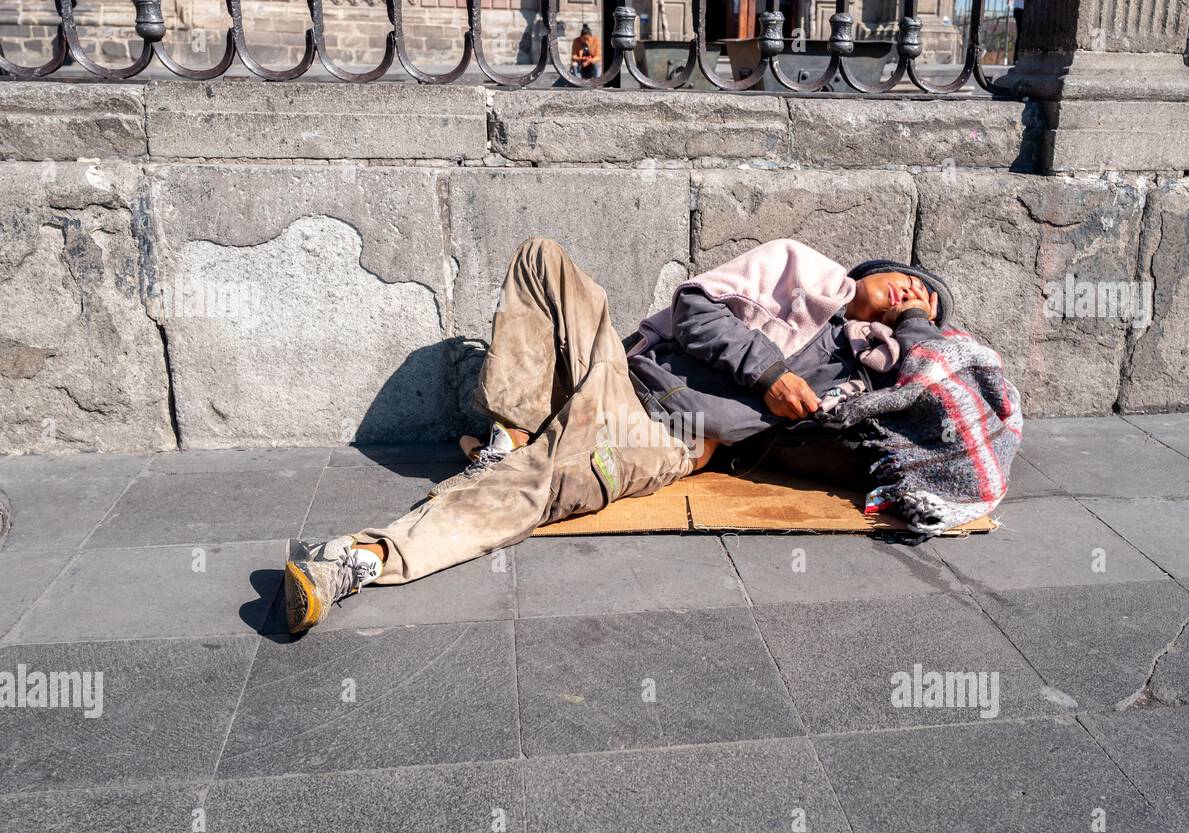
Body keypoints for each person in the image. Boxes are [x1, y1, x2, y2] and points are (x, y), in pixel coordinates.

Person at [282, 238, 952, 635]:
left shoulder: (858, 379)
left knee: (535, 489)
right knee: (544, 258)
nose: (912, 295)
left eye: (923, 307)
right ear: (875, 268)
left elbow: (907, 422)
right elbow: (693, 308)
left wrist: (912, 341)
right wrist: (767, 371)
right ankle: (518, 430)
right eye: (909, 281)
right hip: (617, 366)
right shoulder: (796, 266)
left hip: (659, 432)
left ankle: (360, 558)